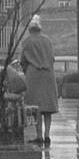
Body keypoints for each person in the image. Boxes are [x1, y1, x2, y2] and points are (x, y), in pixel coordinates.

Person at [20, 15, 58, 145]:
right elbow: (52, 58)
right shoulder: (47, 40)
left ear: (30, 29)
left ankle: (39, 135)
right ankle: (47, 135)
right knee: (48, 108)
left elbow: (23, 61)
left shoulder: (27, 42)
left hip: (33, 76)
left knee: (36, 108)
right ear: (40, 29)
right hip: (48, 75)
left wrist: (27, 71)